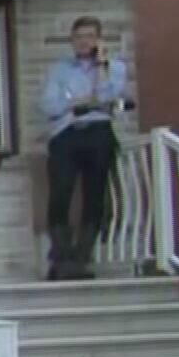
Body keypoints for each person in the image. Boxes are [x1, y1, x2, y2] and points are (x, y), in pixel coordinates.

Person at [41, 16, 130, 281]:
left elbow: (106, 97)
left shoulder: (115, 67)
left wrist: (101, 66)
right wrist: (76, 103)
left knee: (95, 195)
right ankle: (61, 256)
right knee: (60, 193)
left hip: (99, 133)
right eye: (79, 37)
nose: (84, 42)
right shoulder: (60, 70)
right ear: (72, 40)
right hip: (66, 135)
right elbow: (49, 106)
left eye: (90, 36)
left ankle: (82, 258)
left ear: (99, 40)